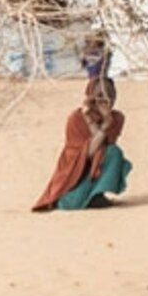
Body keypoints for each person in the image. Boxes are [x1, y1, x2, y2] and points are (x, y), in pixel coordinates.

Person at [32, 71, 133, 211]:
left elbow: (103, 150)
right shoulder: (76, 119)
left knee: (114, 152)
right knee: (70, 204)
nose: (105, 100)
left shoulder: (116, 118)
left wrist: (106, 122)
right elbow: (88, 154)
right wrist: (90, 119)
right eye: (100, 96)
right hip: (75, 172)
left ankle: (98, 195)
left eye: (110, 96)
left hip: (96, 168)